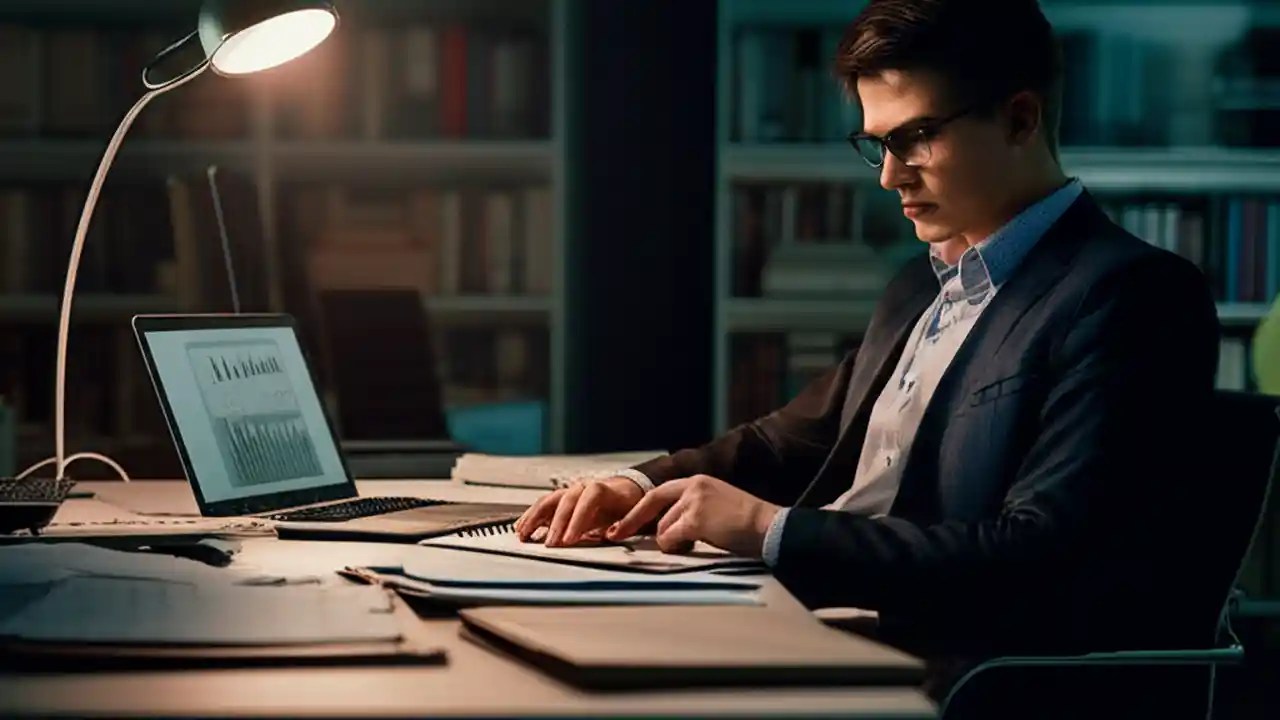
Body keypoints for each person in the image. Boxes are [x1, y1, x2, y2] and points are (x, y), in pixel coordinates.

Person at [519, 0, 1220, 710]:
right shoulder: (923, 281)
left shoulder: (1133, 296)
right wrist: (637, 485)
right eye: (877, 143)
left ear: (1019, 119)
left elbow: (1034, 554)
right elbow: (789, 440)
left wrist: (767, 530)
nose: (889, 176)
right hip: (816, 619)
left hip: (939, 671)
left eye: (915, 138)